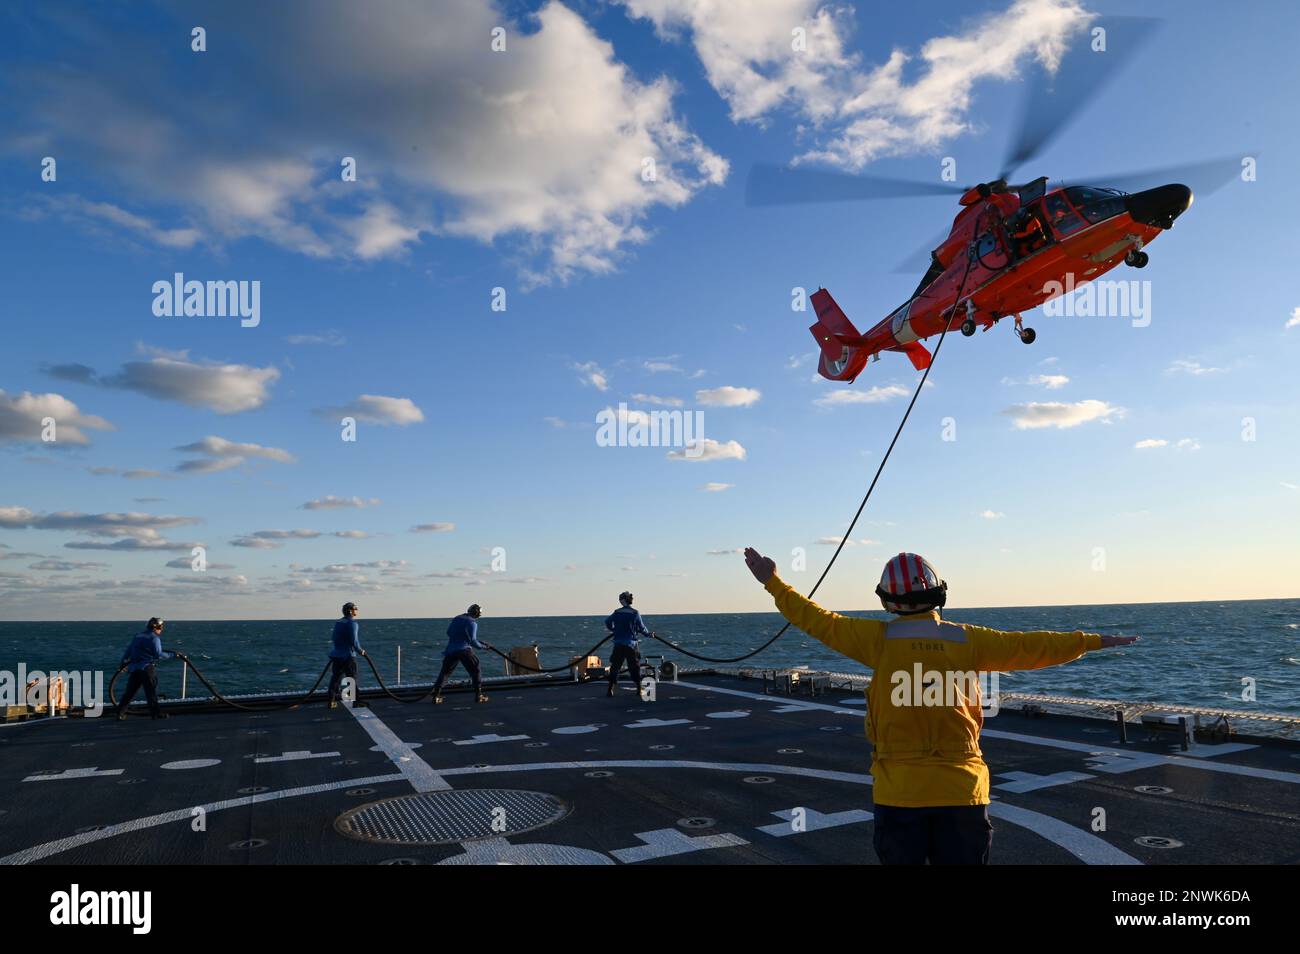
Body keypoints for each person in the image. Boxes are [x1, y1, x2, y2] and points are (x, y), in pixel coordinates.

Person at [743, 547, 1138, 865]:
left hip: (899, 792)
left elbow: (814, 619)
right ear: (938, 593)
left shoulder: (873, 640)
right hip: (962, 790)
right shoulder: (969, 640)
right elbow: (1033, 645)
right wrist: (1091, 640)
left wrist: (773, 582)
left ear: (887, 600)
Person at [116, 617, 179, 720]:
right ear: (158, 627)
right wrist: (173, 655)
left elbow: (129, 650)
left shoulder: (138, 636)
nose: (162, 629)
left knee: (129, 692)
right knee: (151, 692)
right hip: (146, 668)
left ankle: (120, 713)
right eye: (161, 627)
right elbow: (158, 655)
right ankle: (156, 714)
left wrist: (122, 662)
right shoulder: (154, 638)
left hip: (135, 668)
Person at [433, 604, 491, 704]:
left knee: (445, 672)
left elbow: (449, 632)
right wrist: (484, 647)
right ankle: (479, 695)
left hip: (451, 650)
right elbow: (473, 641)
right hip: (464, 650)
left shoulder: (457, 618)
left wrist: (460, 637)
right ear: (477, 615)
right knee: (475, 669)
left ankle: (436, 696)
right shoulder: (473, 623)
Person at [605, 590, 650, 698]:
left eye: (620, 598)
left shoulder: (617, 612)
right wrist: (648, 634)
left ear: (623, 600)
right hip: (631, 645)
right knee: (634, 667)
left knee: (615, 667)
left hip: (618, 644)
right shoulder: (635, 613)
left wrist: (614, 629)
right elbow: (642, 628)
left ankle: (610, 689)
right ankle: (639, 689)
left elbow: (607, 621)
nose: (619, 600)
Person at [327, 601, 368, 710]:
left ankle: (332, 701)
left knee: (336, 678)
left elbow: (334, 638)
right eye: (355, 608)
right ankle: (356, 702)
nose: (357, 610)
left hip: (337, 655)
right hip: (348, 655)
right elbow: (354, 641)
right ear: (350, 611)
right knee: (352, 678)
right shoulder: (352, 623)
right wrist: (360, 651)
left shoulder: (339, 622)